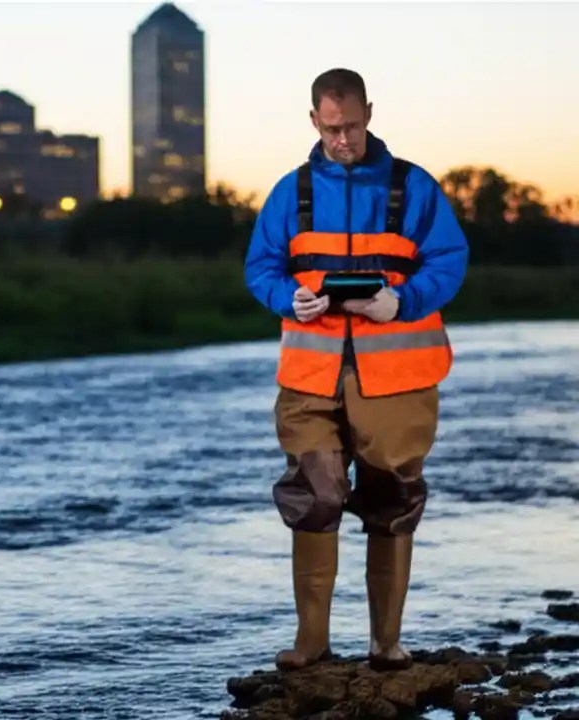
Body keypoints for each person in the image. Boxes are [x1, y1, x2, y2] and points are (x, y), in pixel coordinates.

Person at [243, 68, 469, 672]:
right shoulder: (291, 192)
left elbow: (449, 259)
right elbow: (261, 266)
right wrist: (287, 298)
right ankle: (311, 642)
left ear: (370, 111)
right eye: (333, 128)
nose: (344, 139)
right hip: (310, 379)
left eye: (354, 126)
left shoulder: (413, 187)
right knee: (315, 497)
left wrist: (403, 301)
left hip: (398, 381)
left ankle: (385, 645)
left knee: (391, 501)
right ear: (313, 120)